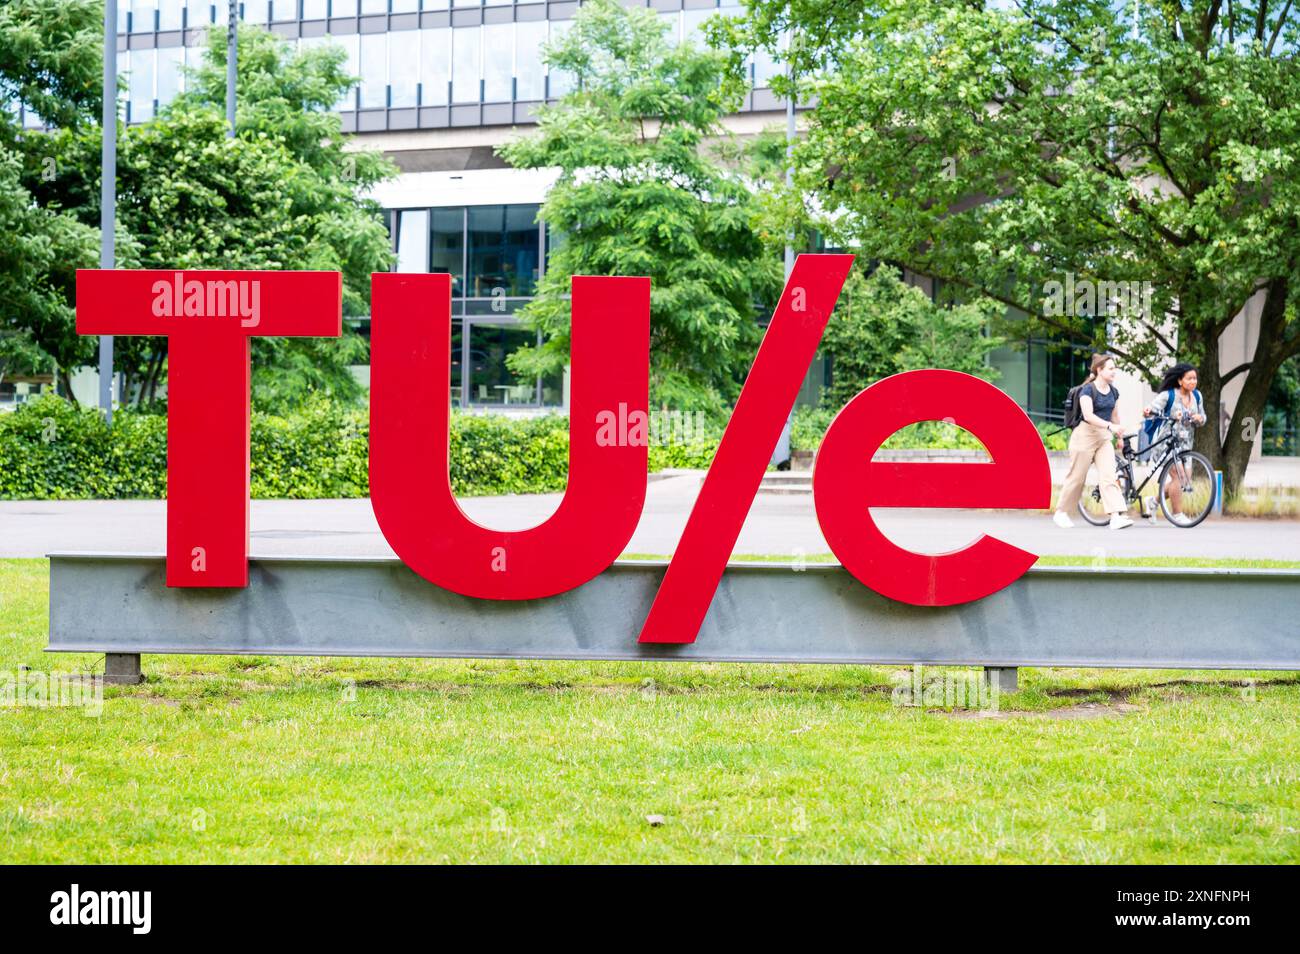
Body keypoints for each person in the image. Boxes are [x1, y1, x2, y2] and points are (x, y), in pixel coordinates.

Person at [1054, 354, 1133, 530]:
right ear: (1099, 370)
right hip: (1084, 436)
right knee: (1077, 477)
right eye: (1111, 368)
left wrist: (1119, 437)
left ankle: (1115, 517)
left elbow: (1115, 416)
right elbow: (1088, 416)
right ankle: (1061, 512)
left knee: (1109, 476)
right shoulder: (1087, 390)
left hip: (1104, 438)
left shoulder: (1114, 391)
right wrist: (1111, 427)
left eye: (1115, 368)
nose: (1114, 372)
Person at [1141, 362, 1206, 519]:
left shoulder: (1197, 396)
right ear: (1179, 381)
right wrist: (1150, 412)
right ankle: (1178, 515)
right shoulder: (1168, 395)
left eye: (1195, 379)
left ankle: (1153, 501)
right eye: (1189, 379)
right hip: (1167, 443)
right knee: (1178, 477)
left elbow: (1203, 418)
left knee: (1185, 480)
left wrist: (1199, 418)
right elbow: (1149, 412)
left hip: (1186, 445)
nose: (1193, 382)